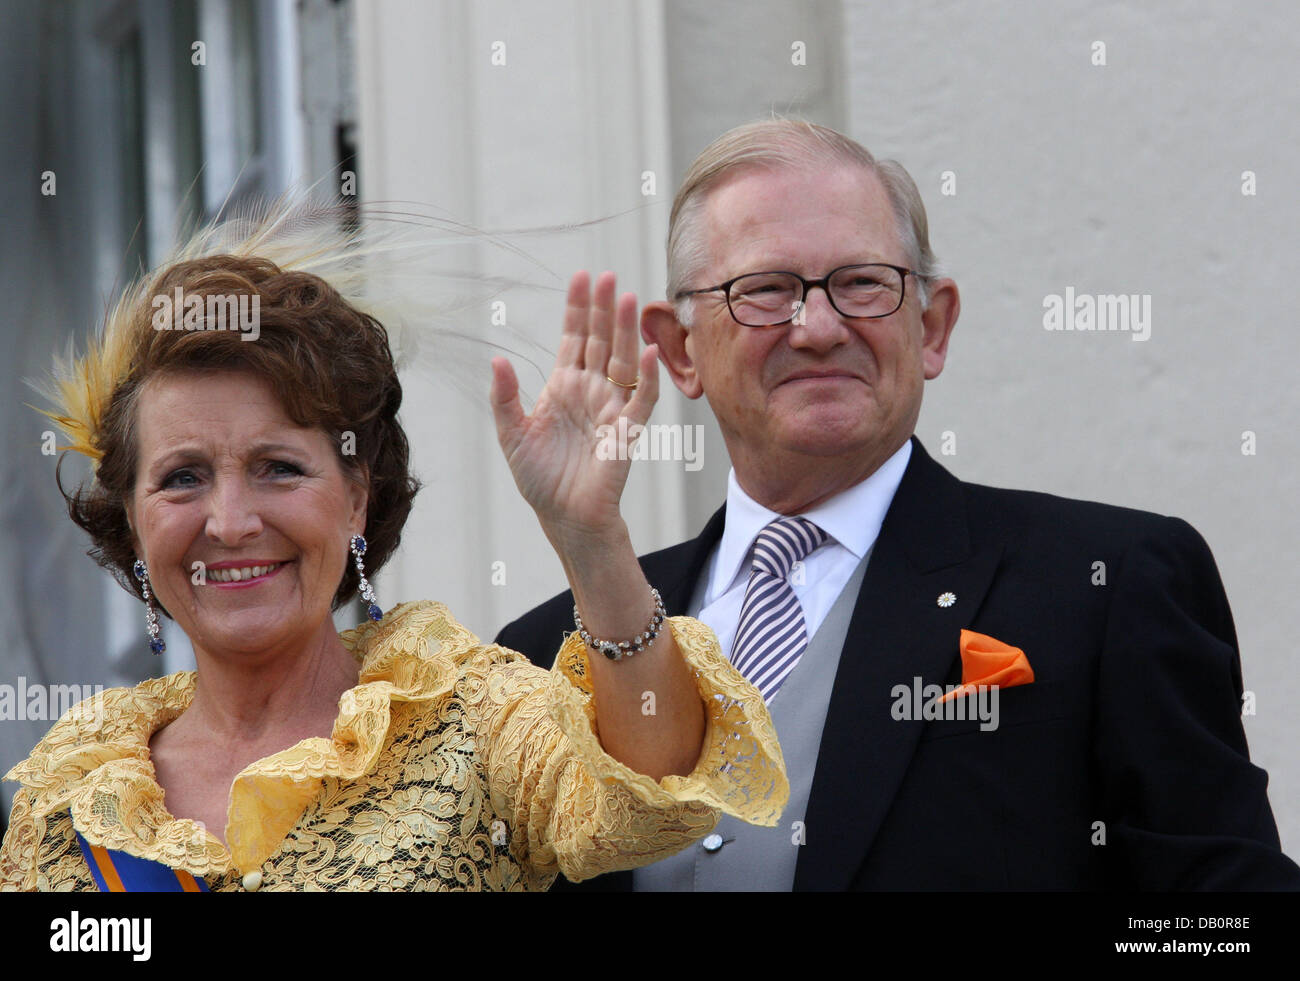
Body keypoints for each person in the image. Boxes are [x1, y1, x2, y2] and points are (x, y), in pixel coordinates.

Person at [496, 119, 1300, 890]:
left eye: (861, 283)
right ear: (678, 349)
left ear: (933, 326)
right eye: (766, 291)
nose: (817, 327)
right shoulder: (540, 655)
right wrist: (588, 539)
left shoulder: (1103, 584)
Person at [0, 202, 787, 892]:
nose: (231, 519)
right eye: (182, 478)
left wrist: (591, 542)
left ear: (356, 496)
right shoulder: (76, 792)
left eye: (279, 468)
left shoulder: (468, 720)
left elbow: (649, 794)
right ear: (132, 522)